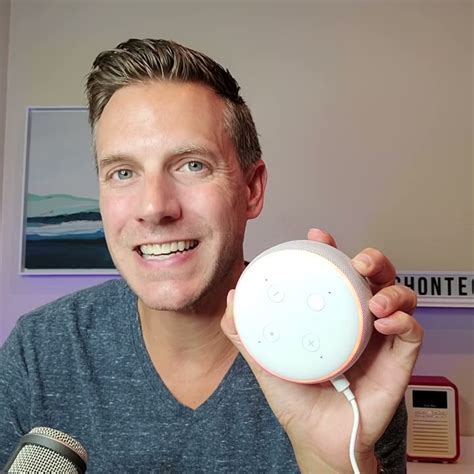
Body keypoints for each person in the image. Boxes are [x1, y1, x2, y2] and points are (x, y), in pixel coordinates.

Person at [0, 39, 423, 473]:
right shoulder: (40, 352)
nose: (154, 207)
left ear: (251, 189)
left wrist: (331, 461)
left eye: (192, 165)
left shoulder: (342, 363)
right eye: (123, 172)